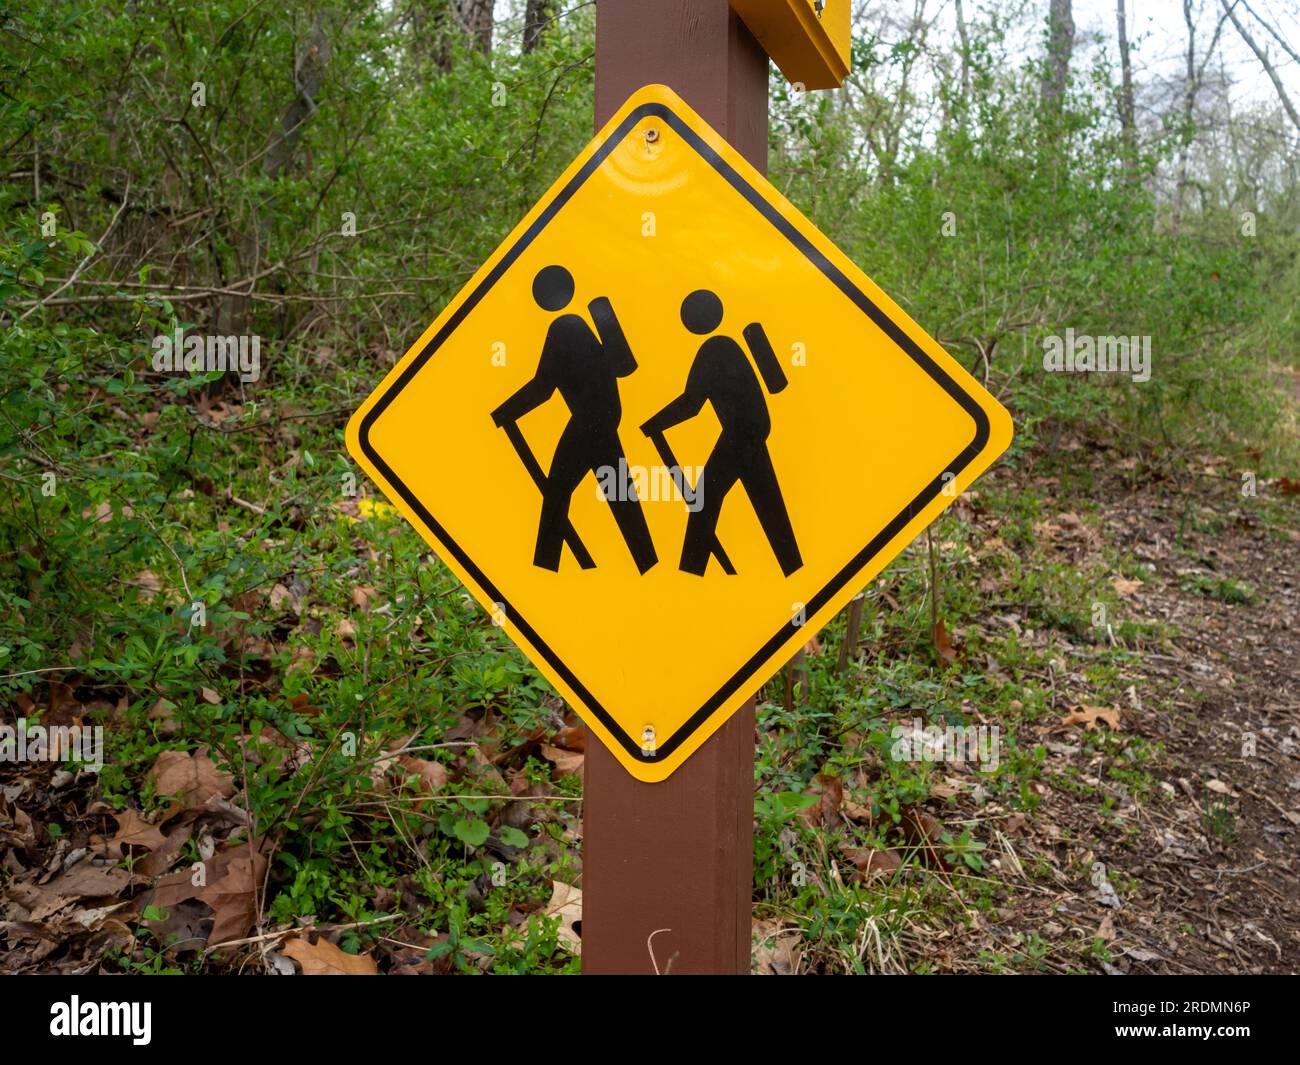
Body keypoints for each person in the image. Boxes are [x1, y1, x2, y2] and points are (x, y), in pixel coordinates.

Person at [491, 265, 657, 574]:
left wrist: (503, 413)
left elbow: (543, 387)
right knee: (620, 497)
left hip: (588, 422)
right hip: (605, 420)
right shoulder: (580, 326)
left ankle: (544, 569)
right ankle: (648, 563)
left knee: (557, 493)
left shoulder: (564, 328)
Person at [640, 289, 802, 577]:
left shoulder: (714, 349)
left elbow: (691, 403)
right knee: (767, 502)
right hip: (752, 429)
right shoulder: (726, 345)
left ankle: (690, 573)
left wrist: (654, 424)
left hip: (741, 432)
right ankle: (794, 569)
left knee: (705, 497)